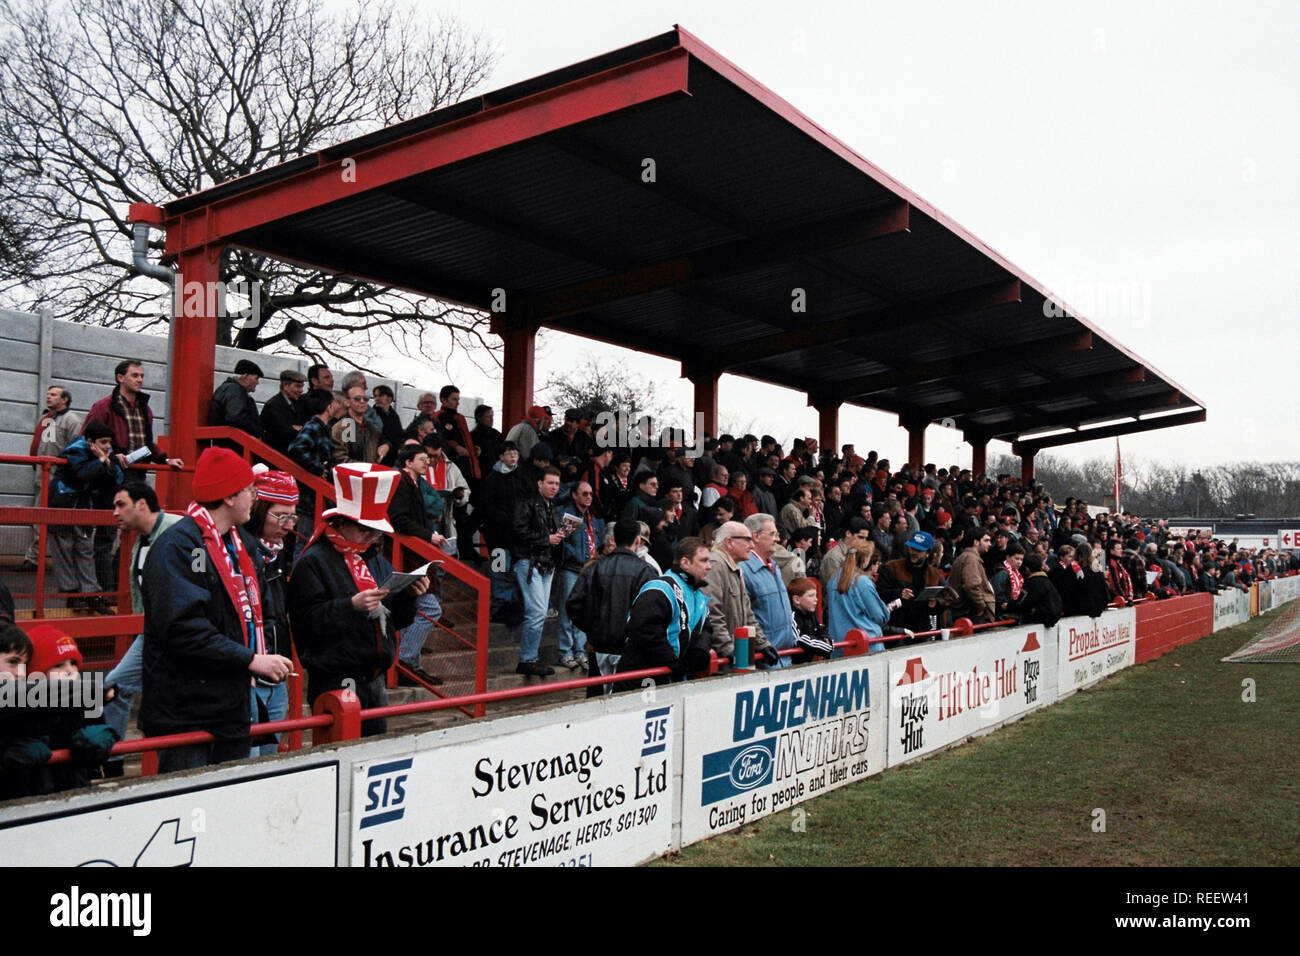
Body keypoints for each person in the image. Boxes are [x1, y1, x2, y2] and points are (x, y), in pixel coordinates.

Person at [140, 447, 294, 772]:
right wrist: (250, 659)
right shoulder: (179, 546)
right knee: (188, 795)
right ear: (229, 496)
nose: (254, 498)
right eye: (250, 490)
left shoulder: (241, 544)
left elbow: (262, 609)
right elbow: (183, 628)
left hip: (232, 703)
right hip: (188, 711)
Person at [287, 462, 427, 736]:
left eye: (375, 531)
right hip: (335, 678)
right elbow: (304, 622)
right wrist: (351, 606)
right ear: (341, 523)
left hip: (374, 678)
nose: (371, 537)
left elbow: (395, 621)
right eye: (365, 530)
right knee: (340, 751)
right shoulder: (313, 562)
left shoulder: (374, 559)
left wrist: (409, 597)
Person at [101, 481, 182, 775]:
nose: (115, 512)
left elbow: (201, 574)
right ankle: (112, 761)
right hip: (151, 633)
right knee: (113, 686)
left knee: (170, 701)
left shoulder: (178, 530)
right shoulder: (142, 539)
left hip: (180, 632)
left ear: (142, 505)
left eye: (121, 504)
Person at [244, 468, 301, 755]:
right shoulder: (237, 552)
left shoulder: (277, 554)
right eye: (280, 516)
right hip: (248, 674)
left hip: (276, 674)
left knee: (269, 761)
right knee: (247, 761)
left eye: (293, 517)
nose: (288, 526)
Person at [565, 518, 655, 694]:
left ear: (614, 539)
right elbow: (653, 612)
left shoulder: (595, 568)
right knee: (626, 703)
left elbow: (574, 605)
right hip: (626, 651)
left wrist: (593, 629)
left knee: (598, 703)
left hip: (601, 647)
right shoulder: (645, 571)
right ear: (638, 540)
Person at [614, 538, 714, 691]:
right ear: (685, 563)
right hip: (643, 679)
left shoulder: (698, 595)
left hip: (671, 678)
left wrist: (700, 653)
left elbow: (706, 628)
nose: (709, 566)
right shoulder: (660, 588)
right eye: (703, 560)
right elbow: (644, 630)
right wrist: (673, 663)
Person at [386, 444, 448, 687]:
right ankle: (405, 660)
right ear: (408, 462)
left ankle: (409, 663)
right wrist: (428, 535)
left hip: (413, 556)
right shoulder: (401, 483)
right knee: (430, 609)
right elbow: (399, 519)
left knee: (414, 608)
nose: (427, 462)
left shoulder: (414, 483)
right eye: (422, 459)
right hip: (406, 557)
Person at [49, 422, 125, 614]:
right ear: (90, 442)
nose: (108, 446)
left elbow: (117, 477)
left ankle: (91, 594)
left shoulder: (106, 453)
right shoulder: (76, 450)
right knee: (64, 548)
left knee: (85, 548)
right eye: (103, 442)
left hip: (82, 504)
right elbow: (82, 474)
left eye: (109, 442)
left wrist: (105, 461)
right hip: (63, 503)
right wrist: (101, 461)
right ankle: (72, 594)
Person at [21, 385, 83, 571]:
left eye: (54, 395)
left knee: (59, 520)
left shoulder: (72, 420)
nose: (48, 397)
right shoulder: (46, 419)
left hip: (60, 481)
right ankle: (34, 558)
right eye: (48, 394)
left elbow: (77, 448)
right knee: (38, 517)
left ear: (64, 399)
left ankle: (50, 560)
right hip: (43, 477)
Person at [511, 466, 565, 677]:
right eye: (550, 483)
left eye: (557, 484)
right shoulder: (527, 503)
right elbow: (518, 530)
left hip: (546, 562)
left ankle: (529, 658)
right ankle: (527, 659)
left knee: (539, 612)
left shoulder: (552, 507)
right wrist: (546, 539)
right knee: (537, 612)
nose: (554, 487)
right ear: (540, 483)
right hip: (529, 560)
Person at [82, 358, 183, 469]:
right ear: (120, 378)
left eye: (142, 376)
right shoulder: (103, 407)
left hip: (139, 470)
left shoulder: (145, 409)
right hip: (113, 470)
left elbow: (146, 442)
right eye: (135, 376)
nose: (140, 380)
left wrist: (166, 460)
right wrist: (111, 456)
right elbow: (86, 439)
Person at [702, 521, 779, 667]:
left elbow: (748, 614)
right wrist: (728, 650)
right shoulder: (715, 565)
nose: (752, 546)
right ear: (729, 542)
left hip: (734, 656)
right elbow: (711, 613)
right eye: (747, 540)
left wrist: (762, 644)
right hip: (721, 663)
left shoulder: (734, 567)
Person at [555, 481, 605, 670]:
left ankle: (579, 651)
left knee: (584, 611)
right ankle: (565, 652)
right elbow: (562, 542)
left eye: (591, 494)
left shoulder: (592, 516)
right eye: (584, 494)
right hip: (571, 568)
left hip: (589, 569)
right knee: (568, 610)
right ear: (574, 495)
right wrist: (576, 557)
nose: (589, 497)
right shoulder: (568, 515)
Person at [741, 513, 796, 668]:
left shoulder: (774, 566)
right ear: (756, 536)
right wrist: (762, 646)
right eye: (772, 534)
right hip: (765, 659)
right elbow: (745, 616)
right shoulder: (744, 570)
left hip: (784, 656)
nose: (777, 539)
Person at [286, 387, 337, 542]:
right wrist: (317, 468)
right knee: (305, 540)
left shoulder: (322, 428)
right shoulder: (313, 426)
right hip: (309, 495)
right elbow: (296, 448)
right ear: (328, 407)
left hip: (316, 495)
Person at [827, 540, 893, 654]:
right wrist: (887, 610)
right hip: (866, 644)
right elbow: (880, 616)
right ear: (865, 559)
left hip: (840, 644)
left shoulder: (832, 579)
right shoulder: (862, 582)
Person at [877, 529, 946, 635]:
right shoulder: (891, 567)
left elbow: (945, 599)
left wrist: (936, 603)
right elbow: (879, 592)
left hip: (922, 629)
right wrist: (899, 593)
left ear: (928, 553)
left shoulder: (935, 574)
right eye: (912, 548)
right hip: (896, 628)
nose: (913, 552)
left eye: (919, 550)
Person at [947, 526, 996, 624]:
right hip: (971, 614)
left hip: (966, 612)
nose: (989, 544)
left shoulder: (964, 557)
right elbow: (971, 586)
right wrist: (982, 606)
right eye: (986, 540)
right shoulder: (971, 559)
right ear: (976, 542)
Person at [208, 358, 264, 442]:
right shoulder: (234, 390)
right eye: (256, 378)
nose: (257, 382)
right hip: (231, 444)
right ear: (245, 376)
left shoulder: (232, 390)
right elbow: (236, 418)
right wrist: (255, 432)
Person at [332, 383, 388, 465]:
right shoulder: (343, 427)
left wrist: (386, 445)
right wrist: (368, 466)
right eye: (357, 399)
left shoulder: (370, 427)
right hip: (352, 473)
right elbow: (340, 460)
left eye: (365, 399)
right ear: (347, 402)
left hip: (368, 471)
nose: (362, 401)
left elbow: (381, 439)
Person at [260, 369, 307, 456]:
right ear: (285, 385)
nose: (301, 390)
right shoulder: (273, 405)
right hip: (275, 456)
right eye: (298, 386)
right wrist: (297, 429)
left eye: (302, 386)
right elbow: (284, 433)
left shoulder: (297, 404)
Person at [788, 577, 833, 662]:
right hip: (794, 664)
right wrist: (824, 646)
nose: (816, 599)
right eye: (811, 596)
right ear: (796, 600)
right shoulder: (792, 617)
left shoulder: (811, 614)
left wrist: (826, 638)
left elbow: (820, 628)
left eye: (815, 595)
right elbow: (799, 639)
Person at [1014, 553, 1062, 628]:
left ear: (1027, 568)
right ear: (1042, 566)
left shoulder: (1030, 583)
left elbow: (1021, 603)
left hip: (1038, 620)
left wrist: (1008, 606)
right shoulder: (1048, 582)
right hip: (1051, 620)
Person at [370, 385, 405, 466]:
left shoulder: (394, 416)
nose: (377, 398)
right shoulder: (371, 415)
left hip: (392, 457)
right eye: (375, 396)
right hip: (376, 456)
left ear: (389, 399)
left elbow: (399, 436)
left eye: (380, 395)